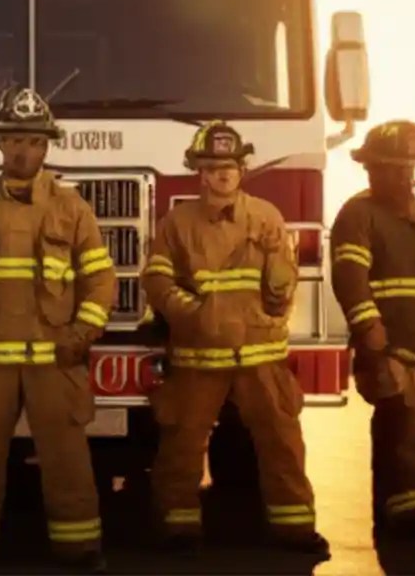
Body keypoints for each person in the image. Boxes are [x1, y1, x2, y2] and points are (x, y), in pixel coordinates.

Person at [0, 86, 116, 573]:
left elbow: (100, 279)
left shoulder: (71, 208)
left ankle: (79, 547)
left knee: (68, 459)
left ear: (47, 147)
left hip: (55, 358)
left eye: (34, 141)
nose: (23, 150)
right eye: (14, 139)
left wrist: (82, 334)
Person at [141, 121, 328, 555]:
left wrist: (276, 278)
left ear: (241, 170)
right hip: (199, 353)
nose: (223, 174)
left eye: (230, 165)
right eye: (213, 166)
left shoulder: (267, 218)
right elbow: (156, 277)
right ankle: (178, 528)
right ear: (199, 173)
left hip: (259, 353)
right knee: (183, 442)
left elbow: (284, 282)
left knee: (281, 439)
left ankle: (294, 528)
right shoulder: (177, 223)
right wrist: (190, 315)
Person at [329, 119, 415, 539]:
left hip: (414, 342)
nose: (404, 177)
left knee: (403, 425)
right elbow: (349, 277)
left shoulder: (411, 217)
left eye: (409, 168)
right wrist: (369, 328)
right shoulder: (358, 214)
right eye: (394, 168)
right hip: (386, 341)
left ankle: (398, 510)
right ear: (371, 169)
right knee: (401, 423)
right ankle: (409, 515)